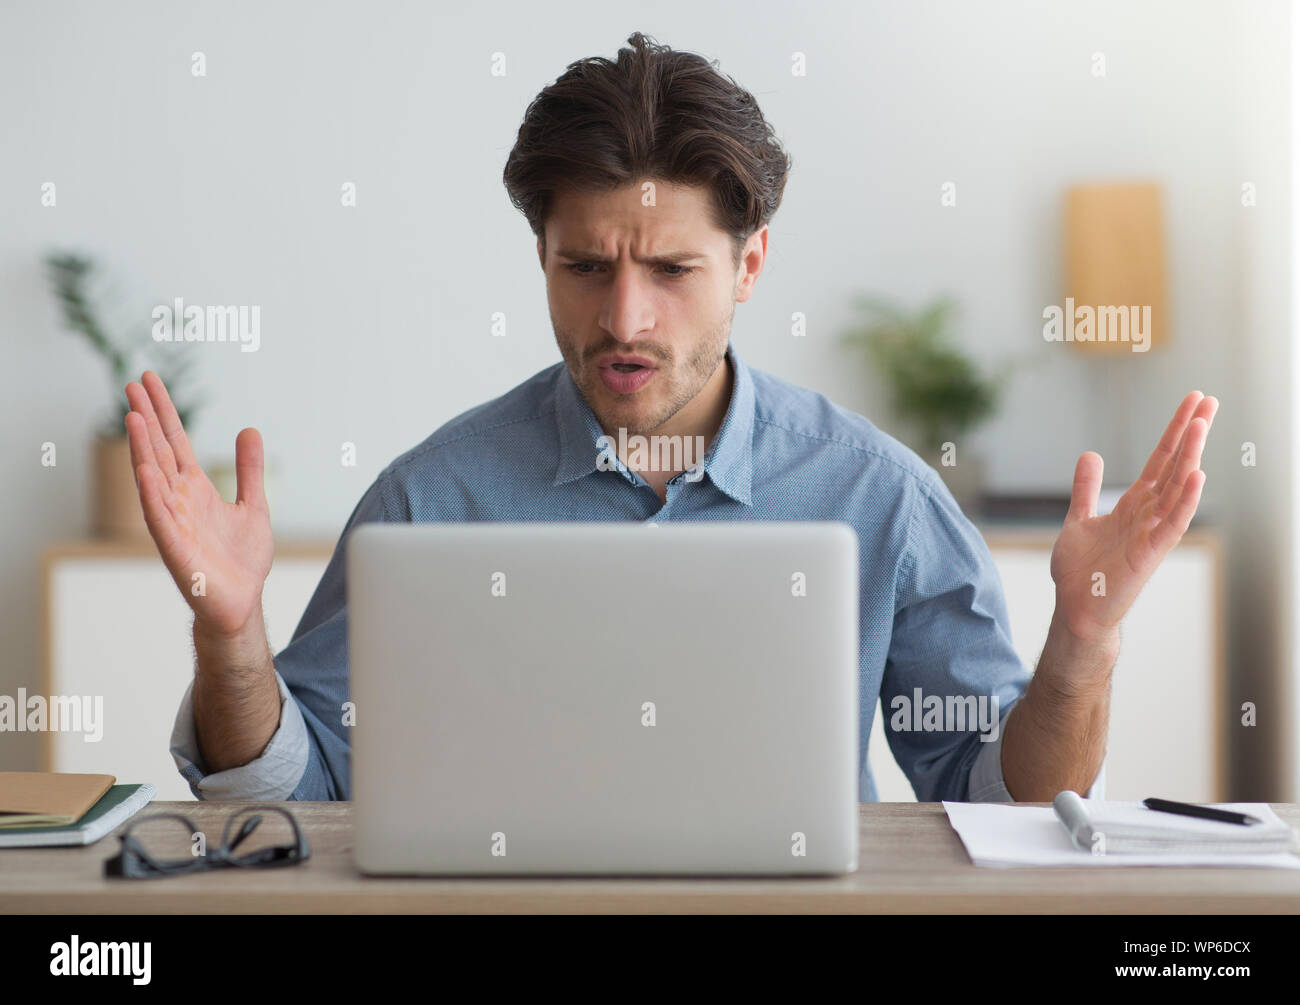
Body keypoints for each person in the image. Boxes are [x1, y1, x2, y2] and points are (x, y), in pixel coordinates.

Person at [124, 32, 1215, 803]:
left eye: (672, 269)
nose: (624, 318)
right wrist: (232, 640)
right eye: (585, 267)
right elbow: (293, 797)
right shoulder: (431, 495)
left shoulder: (876, 495)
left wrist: (1080, 649)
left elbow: (1003, 802)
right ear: (541, 260)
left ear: (751, 264)